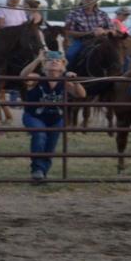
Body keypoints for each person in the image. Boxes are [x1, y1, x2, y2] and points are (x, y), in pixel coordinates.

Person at [19, 50, 85, 183]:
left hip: (56, 118)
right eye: (50, 60)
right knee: (40, 134)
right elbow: (23, 76)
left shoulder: (65, 81)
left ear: (63, 66)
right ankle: (37, 169)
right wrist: (37, 59)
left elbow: (81, 94)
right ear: (44, 65)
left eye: (58, 60)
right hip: (35, 116)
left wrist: (76, 81)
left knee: (50, 145)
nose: (54, 62)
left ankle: (42, 172)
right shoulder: (36, 78)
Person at [62, 0, 108, 65]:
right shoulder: (73, 13)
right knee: (70, 55)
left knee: (125, 57)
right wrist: (89, 33)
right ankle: (68, 74)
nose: (89, 1)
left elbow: (112, 29)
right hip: (81, 41)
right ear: (82, 0)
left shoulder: (102, 14)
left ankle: (122, 75)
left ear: (95, 1)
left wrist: (103, 31)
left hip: (102, 40)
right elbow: (68, 32)